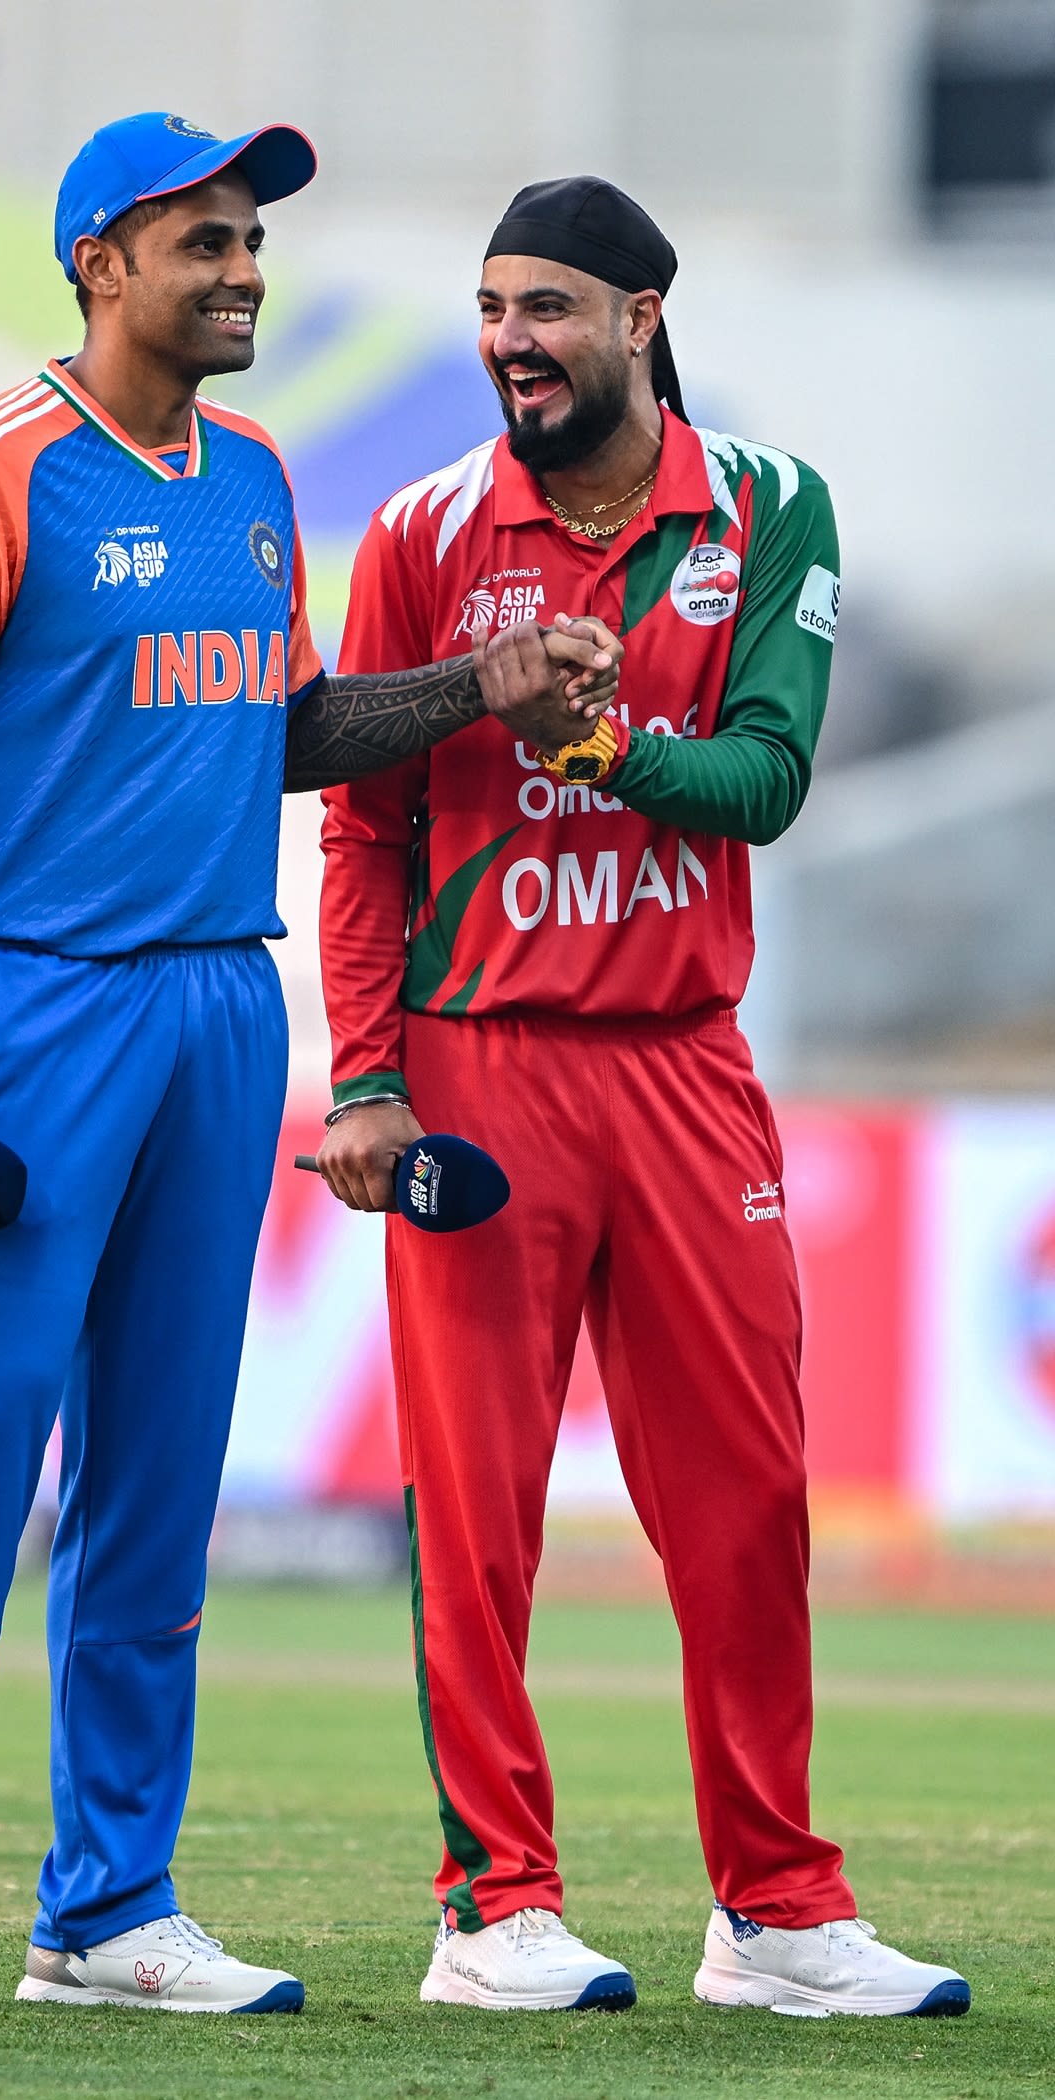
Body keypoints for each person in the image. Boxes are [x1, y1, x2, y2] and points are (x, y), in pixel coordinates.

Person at [0, 117, 616, 2017]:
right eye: (207, 245)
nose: (246, 270)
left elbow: (290, 727)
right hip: (25, 1002)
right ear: (101, 263)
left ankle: (108, 1910)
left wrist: (479, 692)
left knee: (159, 1480)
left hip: (218, 1010)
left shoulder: (254, 476)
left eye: (252, 241)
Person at [317, 177, 971, 2020]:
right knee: (481, 1508)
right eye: (492, 310)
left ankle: (775, 1913)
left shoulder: (770, 508)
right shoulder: (426, 530)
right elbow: (359, 833)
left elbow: (765, 784)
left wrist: (587, 735)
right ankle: (492, 1909)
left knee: (749, 1499)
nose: (512, 343)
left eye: (550, 309)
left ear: (641, 316)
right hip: (476, 1067)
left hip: (684, 1061)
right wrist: (365, 1078)